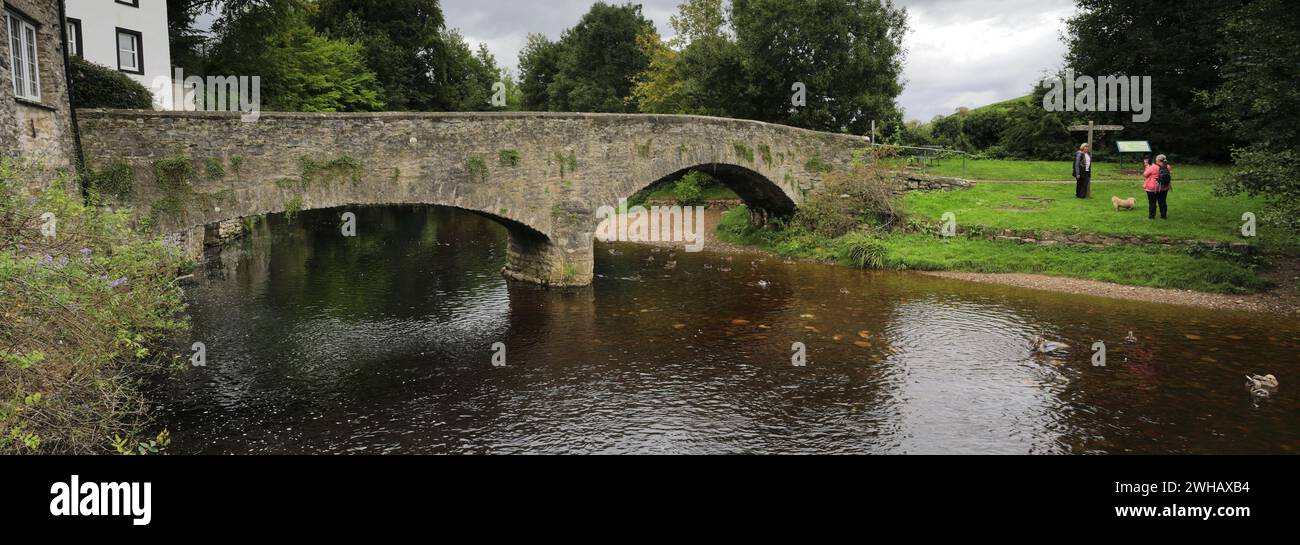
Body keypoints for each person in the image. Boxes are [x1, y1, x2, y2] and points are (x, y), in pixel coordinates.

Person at [1142, 154, 1172, 219]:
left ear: (1158, 160)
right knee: (1163, 202)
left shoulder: (1153, 167)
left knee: (1152, 202)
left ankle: (1151, 217)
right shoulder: (1168, 166)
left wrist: (1147, 167)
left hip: (1152, 188)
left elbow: (1145, 174)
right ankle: (1163, 216)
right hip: (1164, 187)